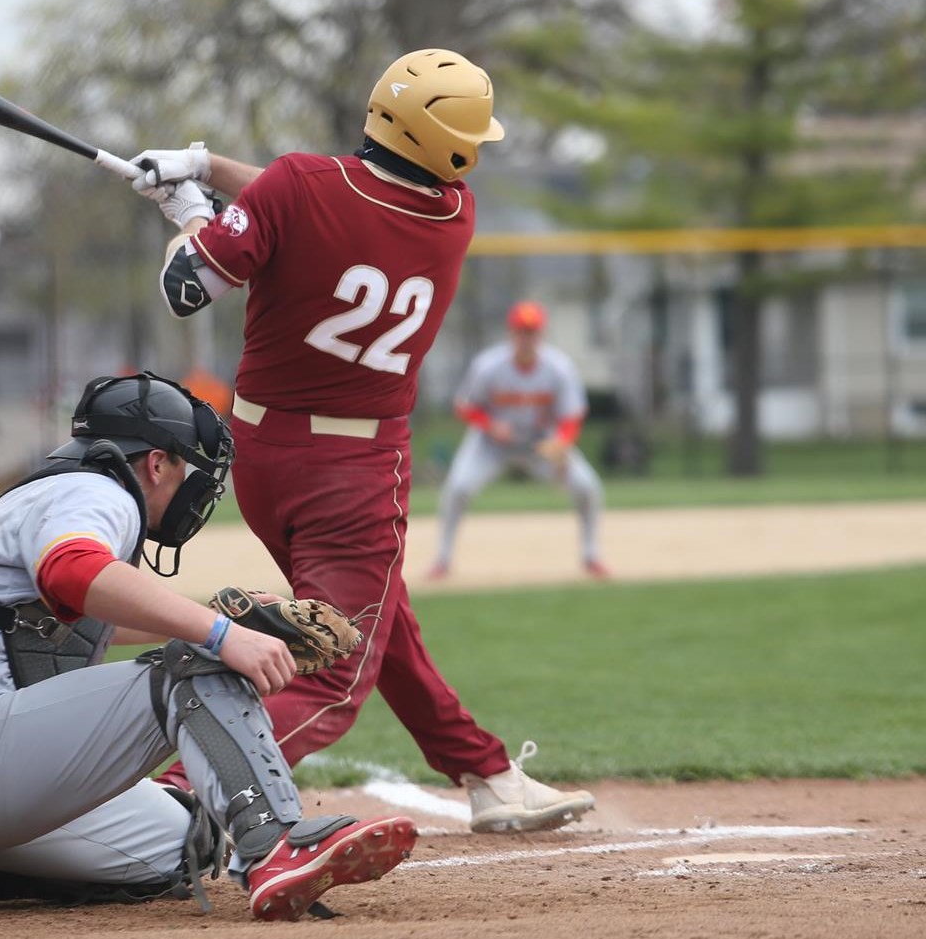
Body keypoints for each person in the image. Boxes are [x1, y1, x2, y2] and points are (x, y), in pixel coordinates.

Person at [126, 48, 597, 834]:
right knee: (337, 676)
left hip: (262, 461)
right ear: (443, 143)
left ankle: (487, 774)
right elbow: (294, 200)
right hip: (353, 472)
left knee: (384, 624)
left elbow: (191, 285)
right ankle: (176, 799)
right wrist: (203, 175)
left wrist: (190, 214)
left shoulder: (298, 183)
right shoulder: (453, 214)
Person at [0, 373, 416, 921]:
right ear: (157, 462)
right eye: (184, 465)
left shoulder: (54, 494)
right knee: (195, 663)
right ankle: (276, 846)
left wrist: (226, 618)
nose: (190, 481)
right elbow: (73, 573)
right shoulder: (95, 490)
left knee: (189, 840)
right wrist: (220, 635)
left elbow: (87, 617)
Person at [429, 301, 607, 580]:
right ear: (511, 334)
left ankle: (591, 555)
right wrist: (489, 424)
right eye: (522, 332)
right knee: (458, 487)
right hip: (491, 443)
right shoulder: (489, 366)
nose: (527, 339)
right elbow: (464, 405)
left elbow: (572, 416)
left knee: (587, 487)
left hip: (541, 444)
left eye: (532, 332)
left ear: (541, 335)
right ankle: (443, 559)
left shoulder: (558, 368)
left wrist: (563, 442)